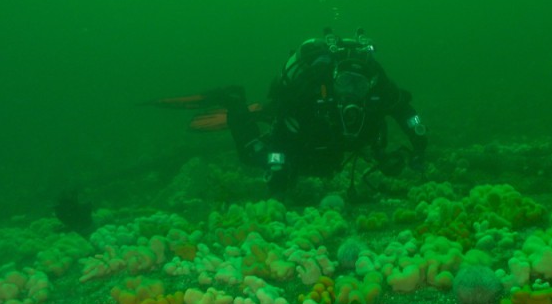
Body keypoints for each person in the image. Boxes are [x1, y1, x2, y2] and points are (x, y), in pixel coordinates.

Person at [154, 28, 427, 198]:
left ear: (371, 84)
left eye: (359, 85)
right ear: (332, 80)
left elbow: (407, 113)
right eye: (344, 83)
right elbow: (280, 113)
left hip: (333, 149)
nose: (351, 92)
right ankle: (234, 102)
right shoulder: (309, 90)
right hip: (296, 139)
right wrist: (278, 162)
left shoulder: (380, 92)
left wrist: (419, 144)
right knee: (262, 161)